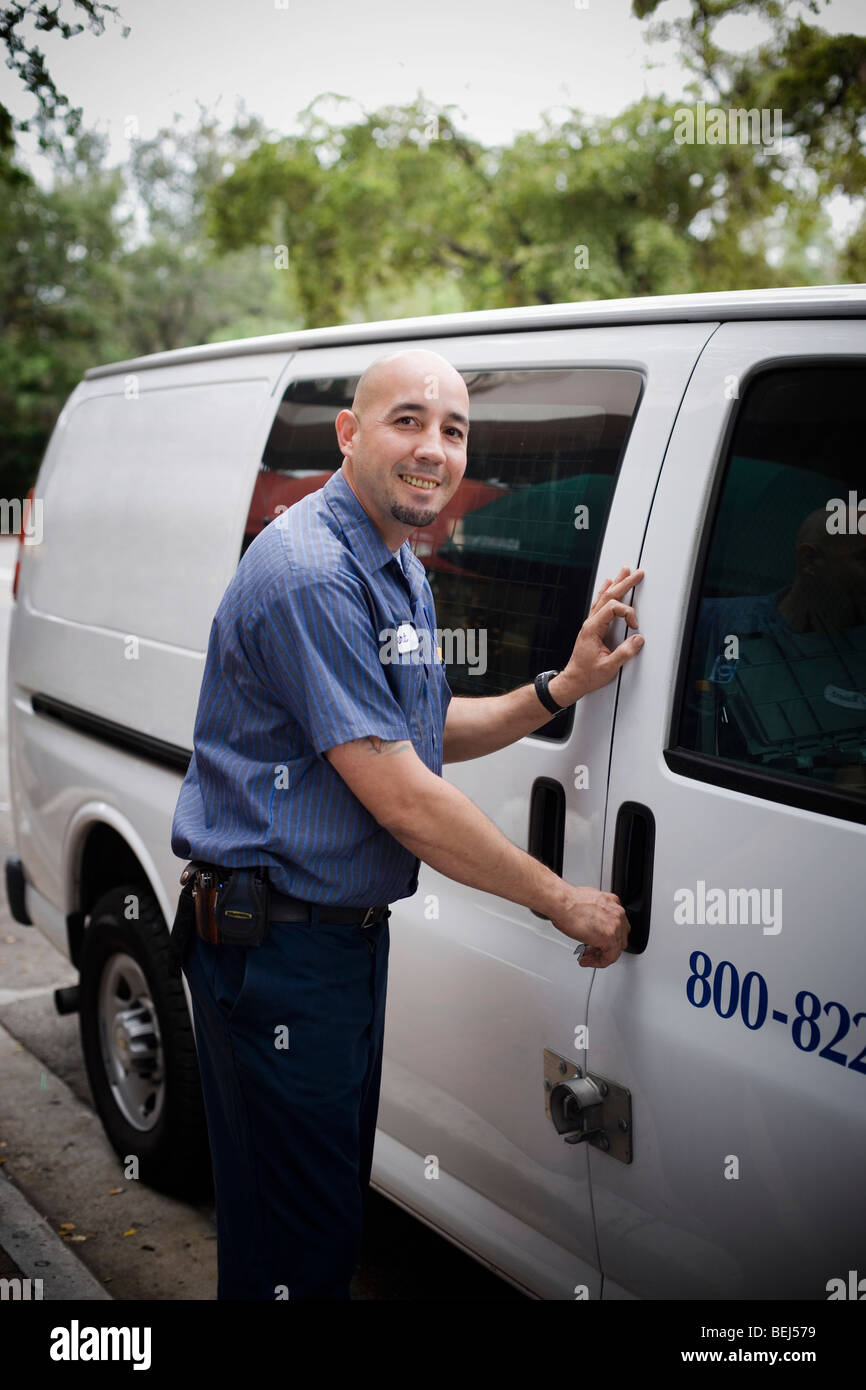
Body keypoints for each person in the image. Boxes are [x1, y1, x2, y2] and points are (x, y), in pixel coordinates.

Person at [169, 347, 645, 1300]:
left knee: (317, 1223)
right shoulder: (311, 571)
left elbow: (417, 735)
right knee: (295, 1250)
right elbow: (402, 794)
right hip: (276, 961)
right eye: (408, 421)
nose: (434, 448)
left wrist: (559, 687)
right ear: (350, 434)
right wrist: (563, 902)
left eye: (455, 430)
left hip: (328, 951)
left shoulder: (396, 567)